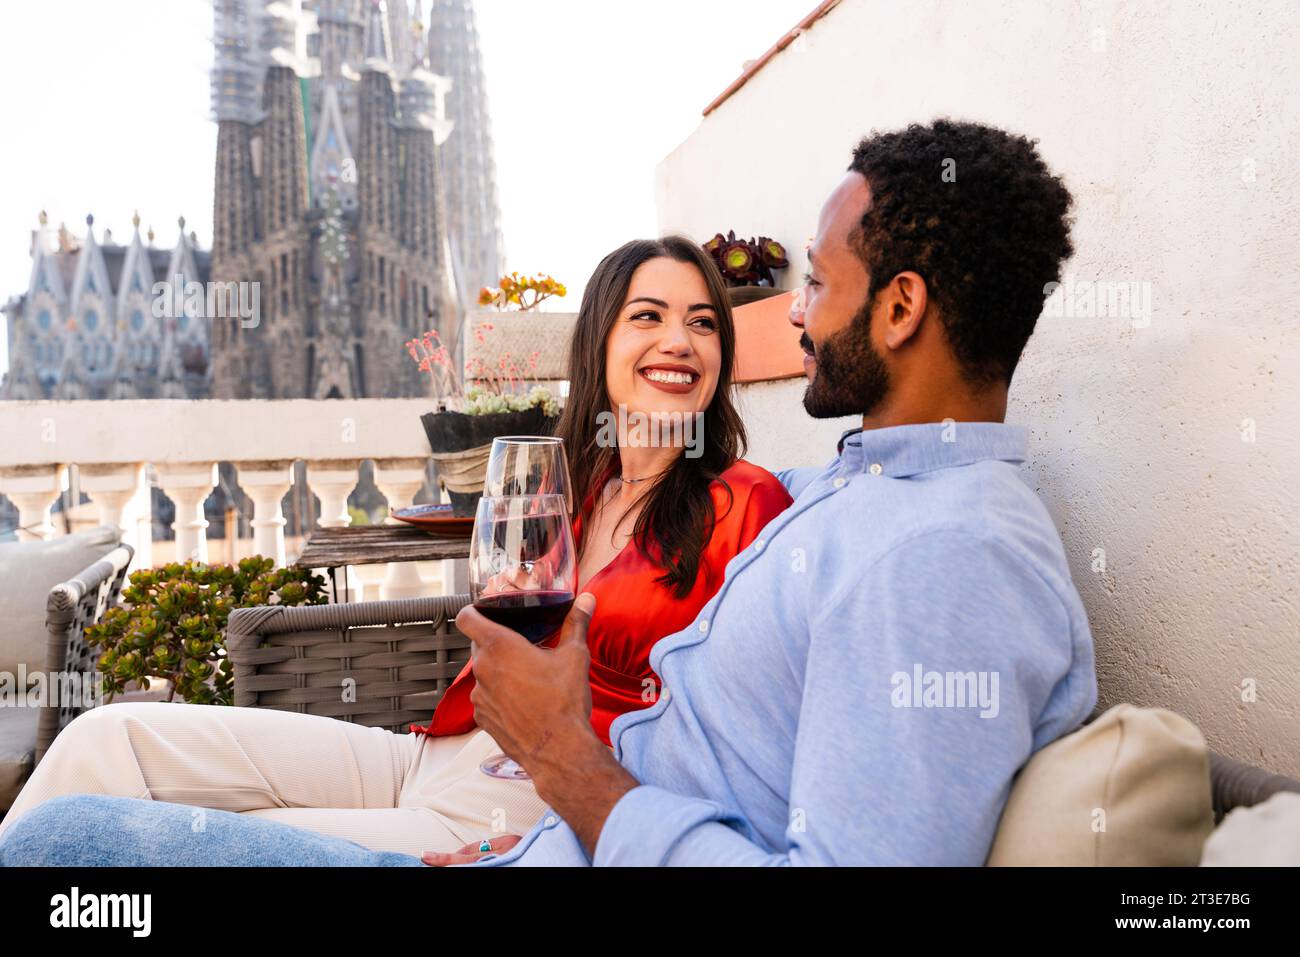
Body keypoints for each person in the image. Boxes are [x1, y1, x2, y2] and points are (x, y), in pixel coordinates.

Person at [0, 118, 1098, 867]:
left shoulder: (935, 557)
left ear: (899, 311)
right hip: (507, 800)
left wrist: (562, 757)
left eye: (812, 282)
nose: (795, 317)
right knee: (104, 749)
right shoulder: (856, 502)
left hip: (525, 816)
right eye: (647, 318)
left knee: (68, 846)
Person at [0, 237, 791, 859]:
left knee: (203, 835)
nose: (679, 340)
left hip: (536, 803)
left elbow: (735, 747)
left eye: (704, 321)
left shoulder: (746, 505)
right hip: (431, 754)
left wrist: (570, 841)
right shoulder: (572, 481)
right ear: (601, 344)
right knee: (109, 738)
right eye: (647, 316)